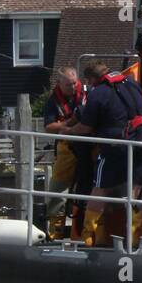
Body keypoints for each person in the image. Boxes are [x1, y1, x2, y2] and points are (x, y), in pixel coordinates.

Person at [62, 60, 142, 247]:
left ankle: (88, 236)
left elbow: (86, 127)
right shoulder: (133, 83)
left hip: (115, 145)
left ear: (92, 79)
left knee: (99, 189)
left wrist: (67, 131)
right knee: (134, 191)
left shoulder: (98, 93)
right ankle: (132, 239)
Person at [43, 67, 85, 240]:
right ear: (60, 83)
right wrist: (69, 124)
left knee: (88, 189)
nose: (73, 87)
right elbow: (49, 127)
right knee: (58, 191)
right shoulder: (52, 101)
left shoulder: (87, 94)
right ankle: (55, 232)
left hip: (87, 146)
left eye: (75, 83)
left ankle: (87, 232)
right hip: (66, 147)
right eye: (69, 84)